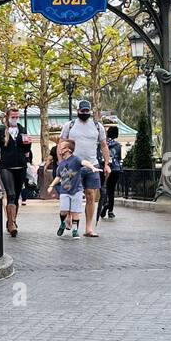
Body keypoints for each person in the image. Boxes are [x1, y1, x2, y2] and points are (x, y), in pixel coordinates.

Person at [0, 105, 33, 237]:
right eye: (13, 117)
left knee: (16, 196)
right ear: (7, 117)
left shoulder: (22, 129)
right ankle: (11, 224)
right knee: (10, 194)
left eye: (17, 117)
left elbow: (27, 150)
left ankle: (12, 220)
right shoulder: (1, 130)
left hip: (20, 166)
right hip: (6, 166)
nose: (15, 119)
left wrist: (28, 144)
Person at [61, 99, 109, 236]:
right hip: (73, 166)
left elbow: (104, 145)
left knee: (91, 195)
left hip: (92, 165)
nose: (85, 113)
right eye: (83, 111)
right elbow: (61, 143)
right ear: (78, 111)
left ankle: (88, 228)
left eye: (87, 111)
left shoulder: (97, 126)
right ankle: (69, 216)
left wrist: (107, 164)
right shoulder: (69, 126)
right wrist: (61, 162)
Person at [50, 137, 86, 238]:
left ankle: (75, 231)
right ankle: (63, 223)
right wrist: (51, 185)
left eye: (62, 147)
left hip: (76, 190)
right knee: (63, 211)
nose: (60, 150)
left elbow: (83, 162)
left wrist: (91, 166)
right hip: (65, 190)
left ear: (68, 149)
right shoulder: (61, 164)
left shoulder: (75, 160)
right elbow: (58, 176)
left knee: (75, 212)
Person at [102, 124, 123, 219]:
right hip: (116, 169)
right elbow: (119, 158)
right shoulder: (118, 145)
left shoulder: (103, 144)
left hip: (105, 167)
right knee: (112, 190)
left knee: (103, 187)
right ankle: (110, 210)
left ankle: (105, 203)